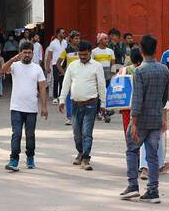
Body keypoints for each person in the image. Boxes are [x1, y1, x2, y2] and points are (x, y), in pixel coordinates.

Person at [120, 34, 169, 203]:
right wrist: (159, 110)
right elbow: (165, 97)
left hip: (141, 118)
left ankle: (133, 186)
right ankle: (153, 190)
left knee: (132, 150)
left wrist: (133, 123)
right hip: (155, 117)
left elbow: (137, 98)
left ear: (141, 51)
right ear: (155, 49)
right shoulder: (164, 70)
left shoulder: (140, 71)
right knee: (152, 155)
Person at [2, 40, 49, 171]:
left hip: (31, 108)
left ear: (33, 54)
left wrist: (44, 106)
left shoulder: (37, 68)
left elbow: (42, 88)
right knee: (16, 134)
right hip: (16, 107)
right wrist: (12, 59)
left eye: (29, 52)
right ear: (20, 53)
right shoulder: (15, 66)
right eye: (24, 52)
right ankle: (14, 160)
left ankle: (30, 157)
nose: (27, 55)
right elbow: (3, 70)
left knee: (30, 135)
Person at [58, 39, 105, 170]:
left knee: (86, 132)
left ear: (90, 53)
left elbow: (101, 86)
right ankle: (80, 152)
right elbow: (66, 83)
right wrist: (62, 100)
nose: (83, 57)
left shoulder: (97, 66)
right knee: (76, 133)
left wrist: (104, 103)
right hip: (75, 104)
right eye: (80, 54)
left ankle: (85, 158)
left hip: (91, 104)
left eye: (85, 54)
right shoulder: (72, 66)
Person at [91, 33, 117, 122]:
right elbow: (91, 64)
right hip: (98, 75)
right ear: (100, 40)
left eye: (107, 39)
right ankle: (99, 112)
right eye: (105, 39)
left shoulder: (110, 51)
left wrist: (113, 75)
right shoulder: (94, 52)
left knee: (106, 94)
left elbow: (112, 64)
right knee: (98, 94)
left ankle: (104, 111)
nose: (107, 40)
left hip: (108, 75)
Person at [46, 29, 67, 103]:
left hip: (63, 64)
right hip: (55, 63)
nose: (64, 34)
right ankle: (55, 97)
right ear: (58, 33)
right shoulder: (53, 43)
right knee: (56, 80)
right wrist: (47, 66)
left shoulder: (66, 42)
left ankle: (61, 97)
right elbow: (49, 56)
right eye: (63, 32)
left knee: (63, 81)